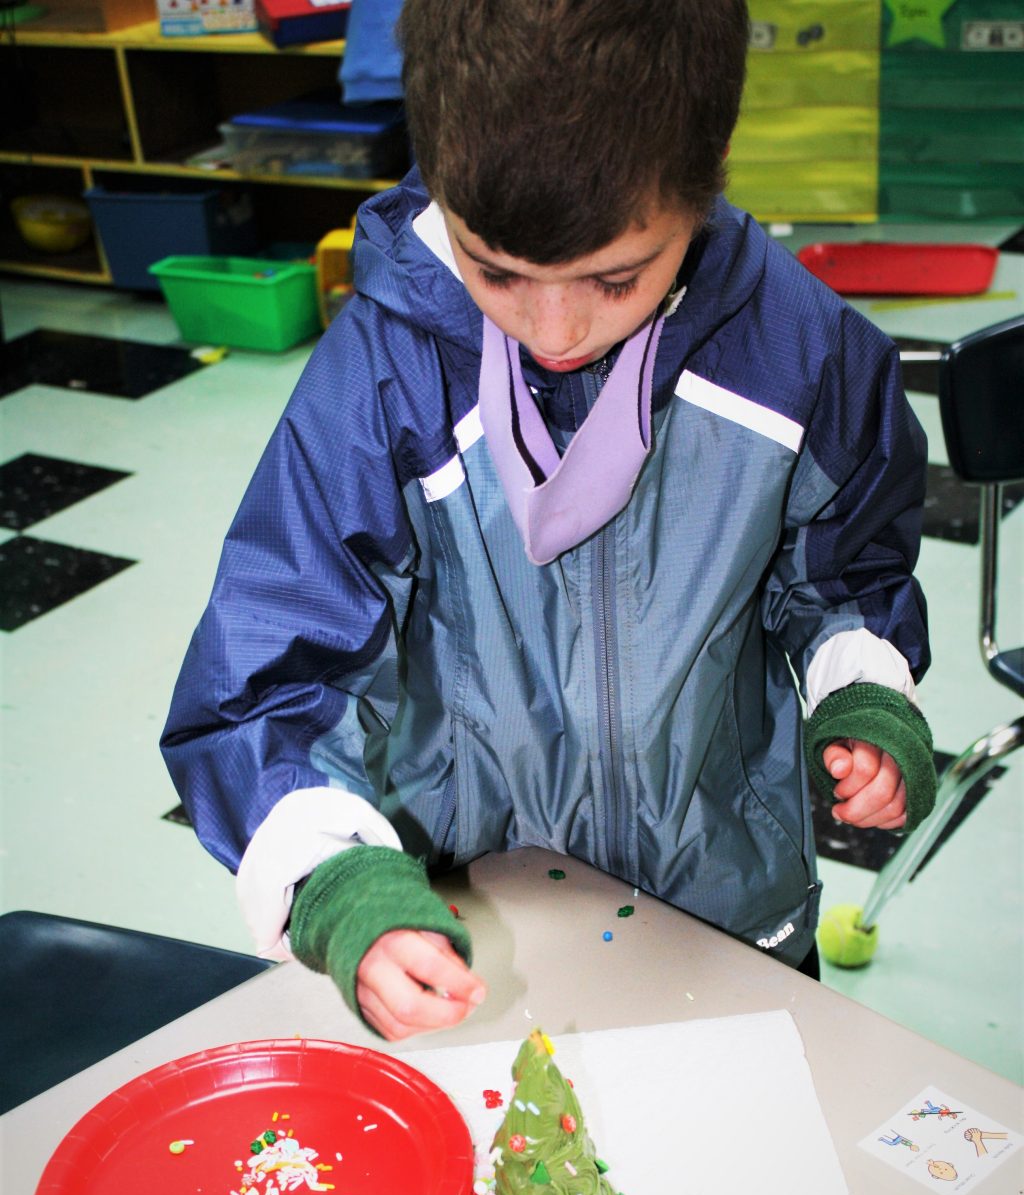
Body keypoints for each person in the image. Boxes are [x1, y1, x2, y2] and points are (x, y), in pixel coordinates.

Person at [162, 0, 936, 1042]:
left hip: (727, 906)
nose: (555, 329)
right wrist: (335, 878)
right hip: (470, 918)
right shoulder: (382, 377)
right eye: (496, 273)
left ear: (703, 187)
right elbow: (273, 673)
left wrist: (864, 690)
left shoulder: (807, 352)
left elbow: (845, 577)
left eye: (615, 277)